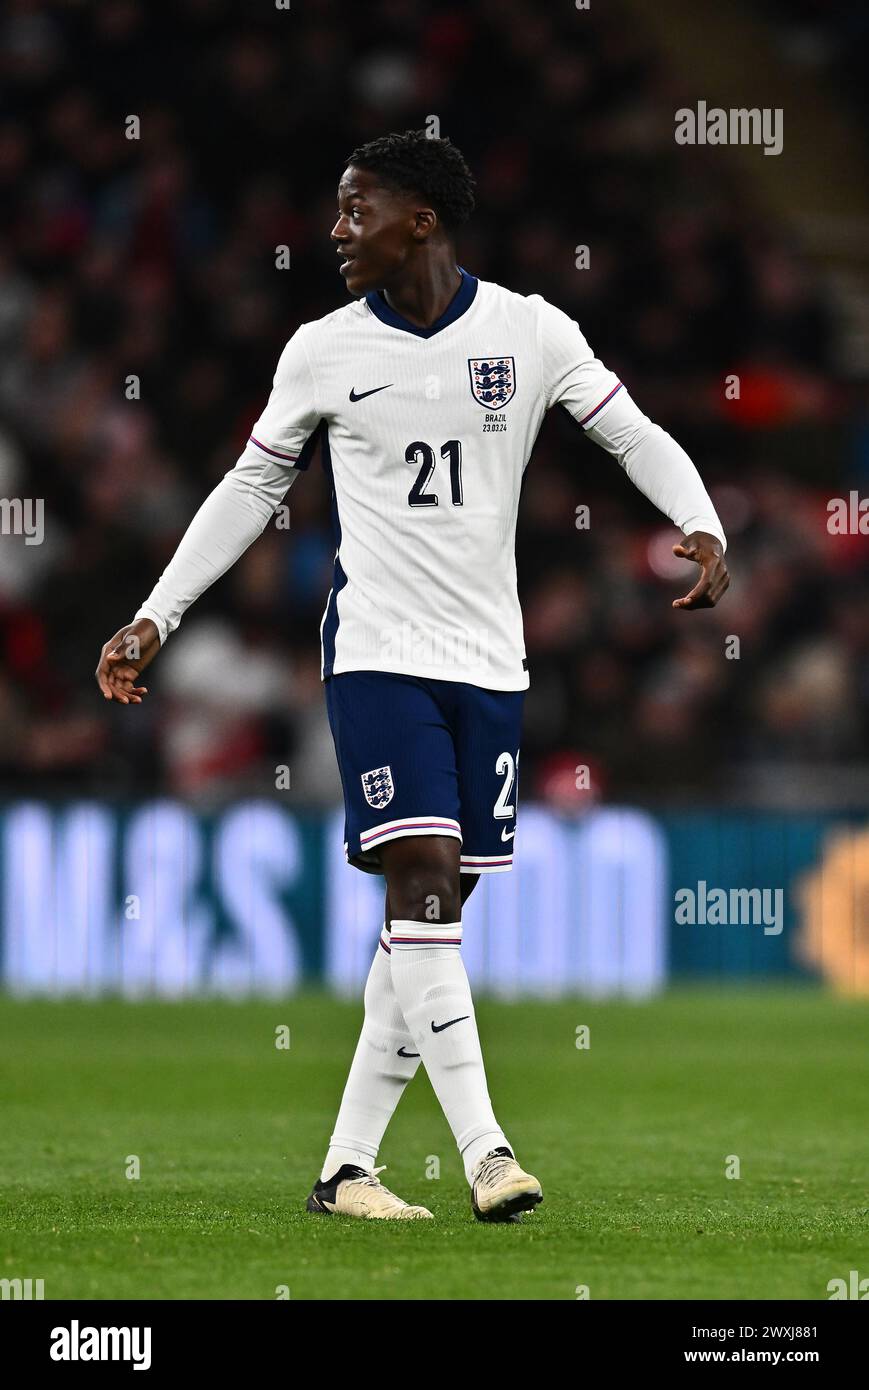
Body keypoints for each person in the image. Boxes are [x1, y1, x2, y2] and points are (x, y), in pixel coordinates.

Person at [95, 130, 729, 1222]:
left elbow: (631, 433)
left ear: (419, 220)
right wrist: (157, 614)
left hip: (490, 661)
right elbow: (248, 490)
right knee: (424, 880)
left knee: (424, 924)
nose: (335, 231)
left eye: (356, 210)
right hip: (379, 650)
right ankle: (487, 1153)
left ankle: (345, 1168)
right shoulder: (322, 349)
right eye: (337, 211)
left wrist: (702, 523)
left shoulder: (528, 332)